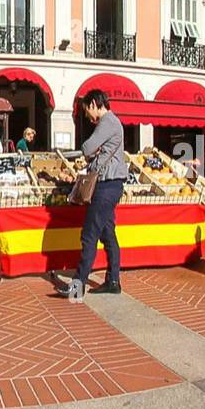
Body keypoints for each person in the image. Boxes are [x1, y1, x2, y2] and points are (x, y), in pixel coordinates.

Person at [68, 90, 128, 296]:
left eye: (87, 111)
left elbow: (87, 147)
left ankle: (78, 284)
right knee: (107, 234)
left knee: (89, 234)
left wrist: (92, 150)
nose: (88, 117)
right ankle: (113, 281)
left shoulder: (108, 122)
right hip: (111, 185)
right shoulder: (112, 123)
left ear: (94, 104)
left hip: (106, 186)